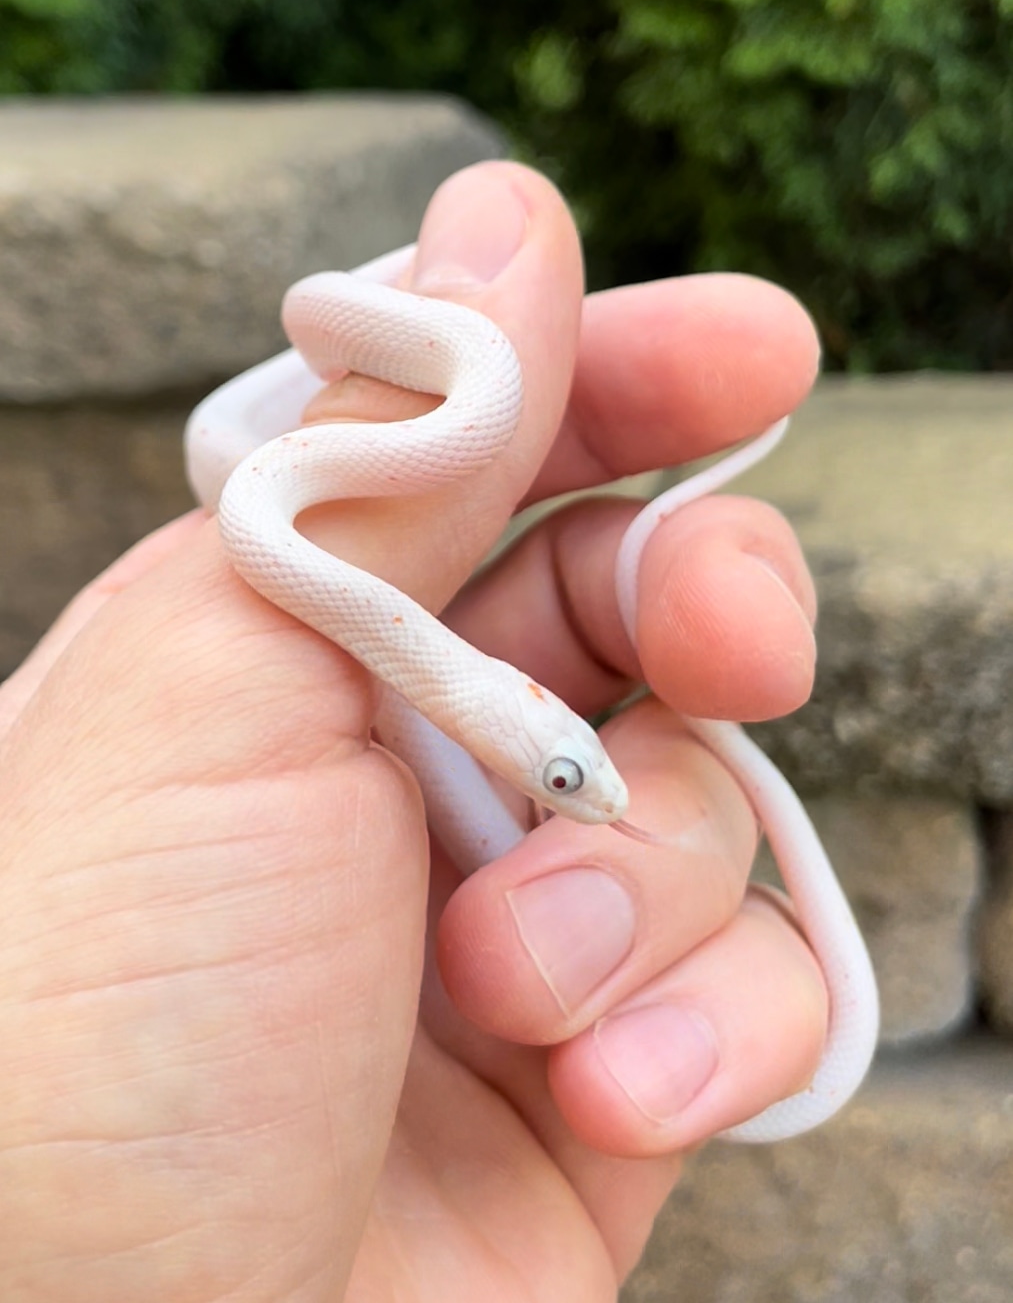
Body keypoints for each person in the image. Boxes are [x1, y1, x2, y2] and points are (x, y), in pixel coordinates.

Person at [0, 161, 827, 1300]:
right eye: (559, 771)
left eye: (565, 764)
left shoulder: (318, 541)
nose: (586, 793)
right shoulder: (368, 472)